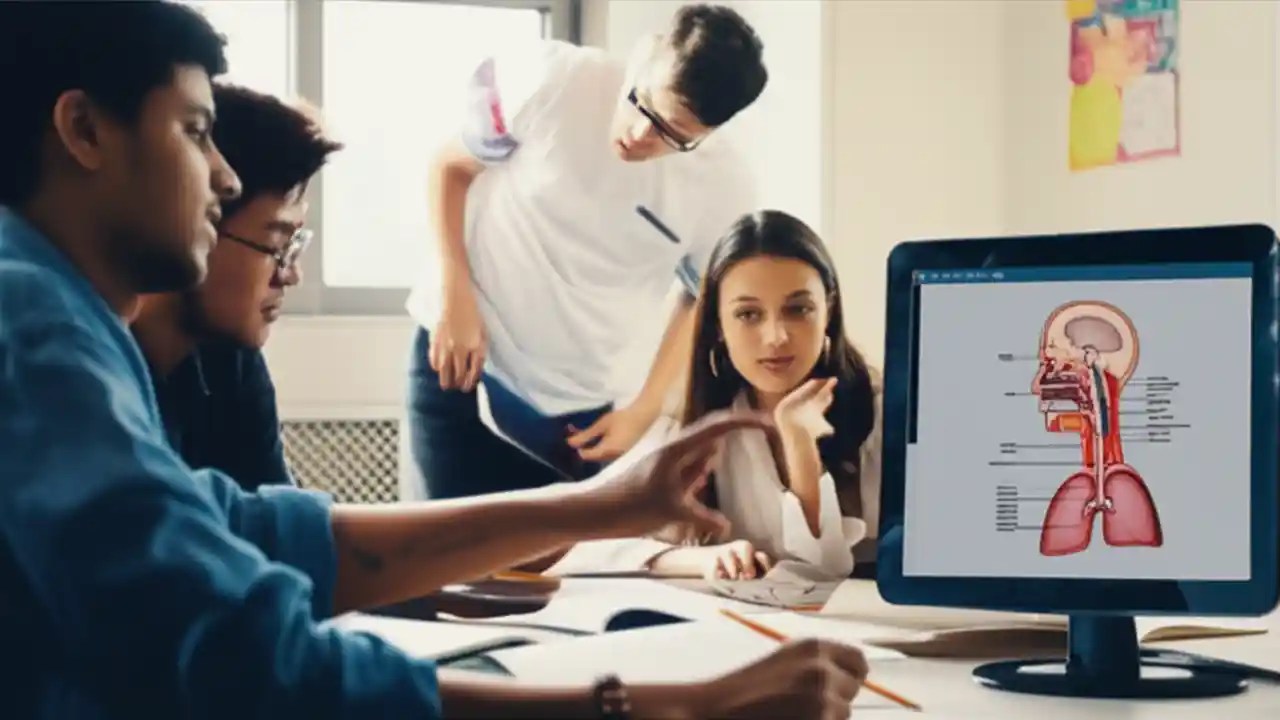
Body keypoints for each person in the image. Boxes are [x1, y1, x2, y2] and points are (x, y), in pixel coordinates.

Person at [0, 3, 871, 718]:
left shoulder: (70, 323)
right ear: (83, 129)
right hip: (476, 378)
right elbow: (245, 658)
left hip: (571, 408)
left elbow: (253, 538)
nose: (224, 178)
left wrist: (603, 503)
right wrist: (666, 707)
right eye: (196, 132)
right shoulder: (32, 325)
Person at [406, 3, 768, 500]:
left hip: (579, 403)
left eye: (672, 134)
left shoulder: (723, 188)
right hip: (465, 355)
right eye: (642, 104)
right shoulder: (552, 79)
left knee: (566, 551)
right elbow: (451, 168)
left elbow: (700, 295)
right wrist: (455, 294)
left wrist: (644, 408)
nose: (640, 135)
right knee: (441, 542)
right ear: (643, 56)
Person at [551, 210, 883, 581]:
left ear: (828, 309)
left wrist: (799, 442)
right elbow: (577, 541)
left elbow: (821, 572)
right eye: (748, 314)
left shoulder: (884, 416)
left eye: (798, 309)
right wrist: (699, 560)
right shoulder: (699, 425)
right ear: (719, 324)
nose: (775, 337)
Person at [131, 81, 341, 491]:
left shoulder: (231, 361)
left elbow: (271, 512)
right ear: (198, 221)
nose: (290, 274)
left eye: (295, 245)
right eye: (277, 244)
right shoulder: (91, 365)